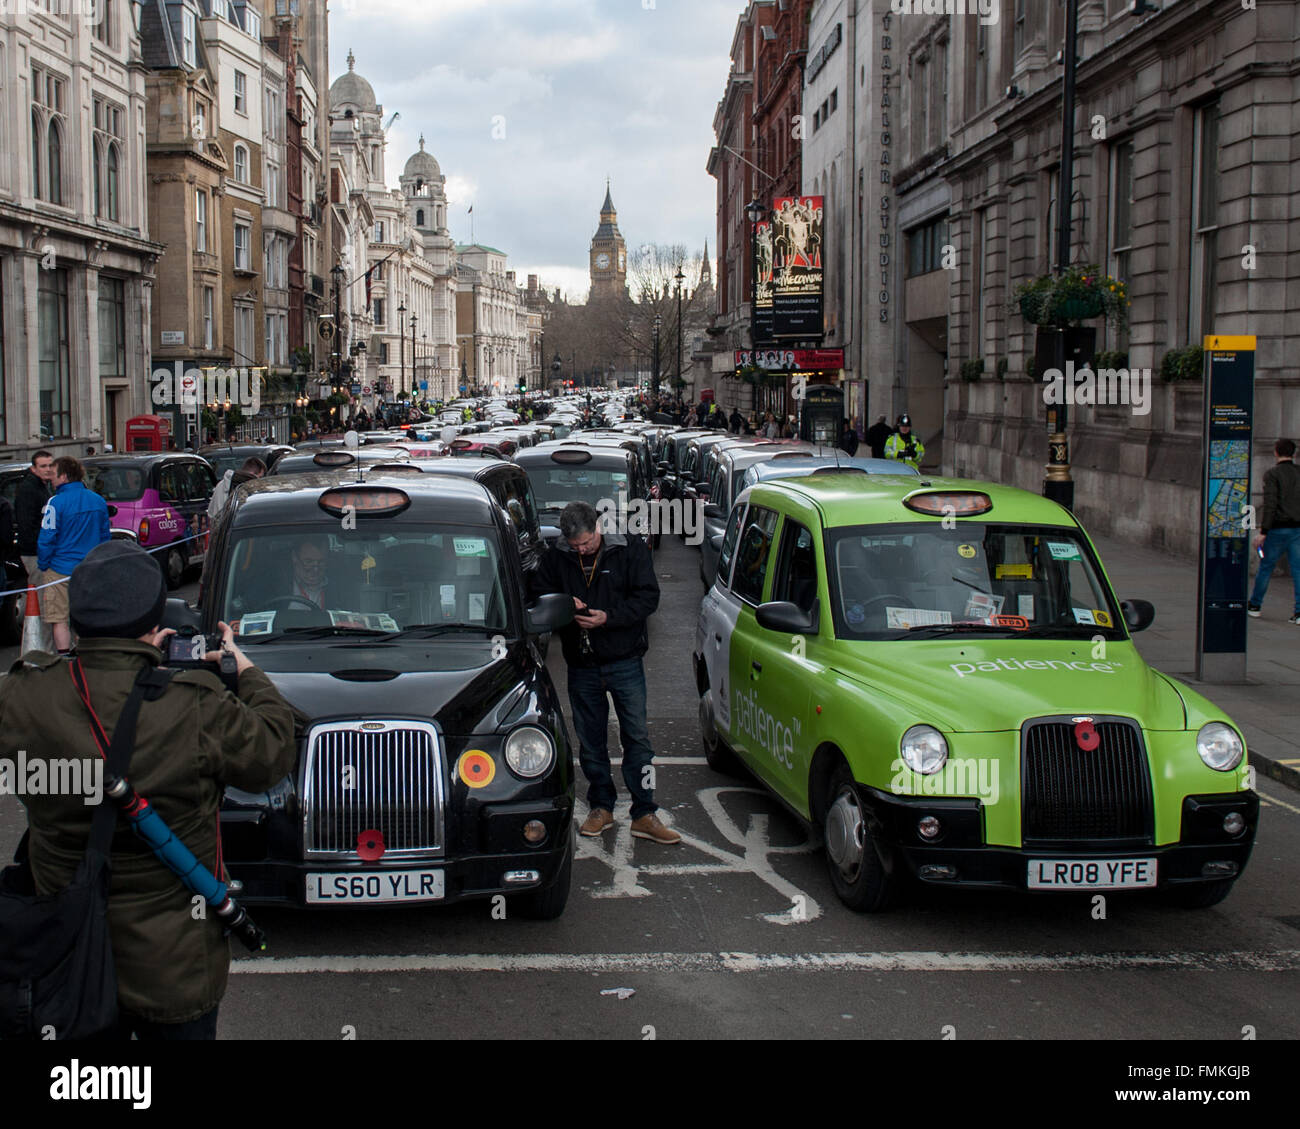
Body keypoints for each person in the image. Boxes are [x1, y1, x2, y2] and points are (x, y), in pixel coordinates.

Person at [0, 540, 296, 1040]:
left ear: (76, 616)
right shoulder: (192, 703)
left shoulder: (23, 694)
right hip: (174, 965)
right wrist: (243, 670)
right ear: (155, 620)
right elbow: (271, 750)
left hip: (62, 958)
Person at [535, 501, 679, 845]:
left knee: (638, 739)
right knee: (591, 741)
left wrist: (608, 618)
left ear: (598, 527)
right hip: (582, 663)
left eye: (586, 544)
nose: (581, 550)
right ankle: (601, 806)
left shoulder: (628, 548)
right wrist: (567, 606)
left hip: (624, 658)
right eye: (575, 547)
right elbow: (540, 594)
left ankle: (645, 811)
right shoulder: (557, 556)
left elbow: (648, 598)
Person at [37, 456, 111, 654]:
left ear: (63, 477)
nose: (50, 479)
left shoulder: (56, 502)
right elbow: (105, 537)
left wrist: (44, 564)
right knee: (86, 615)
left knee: (59, 618)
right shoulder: (97, 500)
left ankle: (64, 657)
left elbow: (47, 537)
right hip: (90, 568)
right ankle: (86, 654)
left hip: (60, 568)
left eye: (53, 474)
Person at [1249, 438, 1300, 623]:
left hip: (1278, 528)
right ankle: (1299, 612)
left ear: (1276, 452)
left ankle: (1255, 605)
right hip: (1297, 529)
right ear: (1293, 453)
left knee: (1266, 567)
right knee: (1298, 571)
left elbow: (1270, 504)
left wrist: (1264, 531)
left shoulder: (1272, 474)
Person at [15, 450, 55, 590]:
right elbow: (27, 523)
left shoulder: (44, 486)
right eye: (43, 466)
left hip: (42, 549)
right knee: (39, 593)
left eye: (50, 465)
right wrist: (42, 547)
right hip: (34, 552)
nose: (48, 469)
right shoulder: (28, 489)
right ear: (33, 469)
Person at [207, 457, 267, 525]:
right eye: (261, 477)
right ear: (255, 474)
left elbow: (211, 514)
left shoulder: (221, 485)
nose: (260, 481)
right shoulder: (253, 488)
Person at [287, 536, 331, 607]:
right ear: (294, 557)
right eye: (308, 562)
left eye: (321, 562)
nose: (315, 570)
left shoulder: (339, 588)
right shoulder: (278, 587)